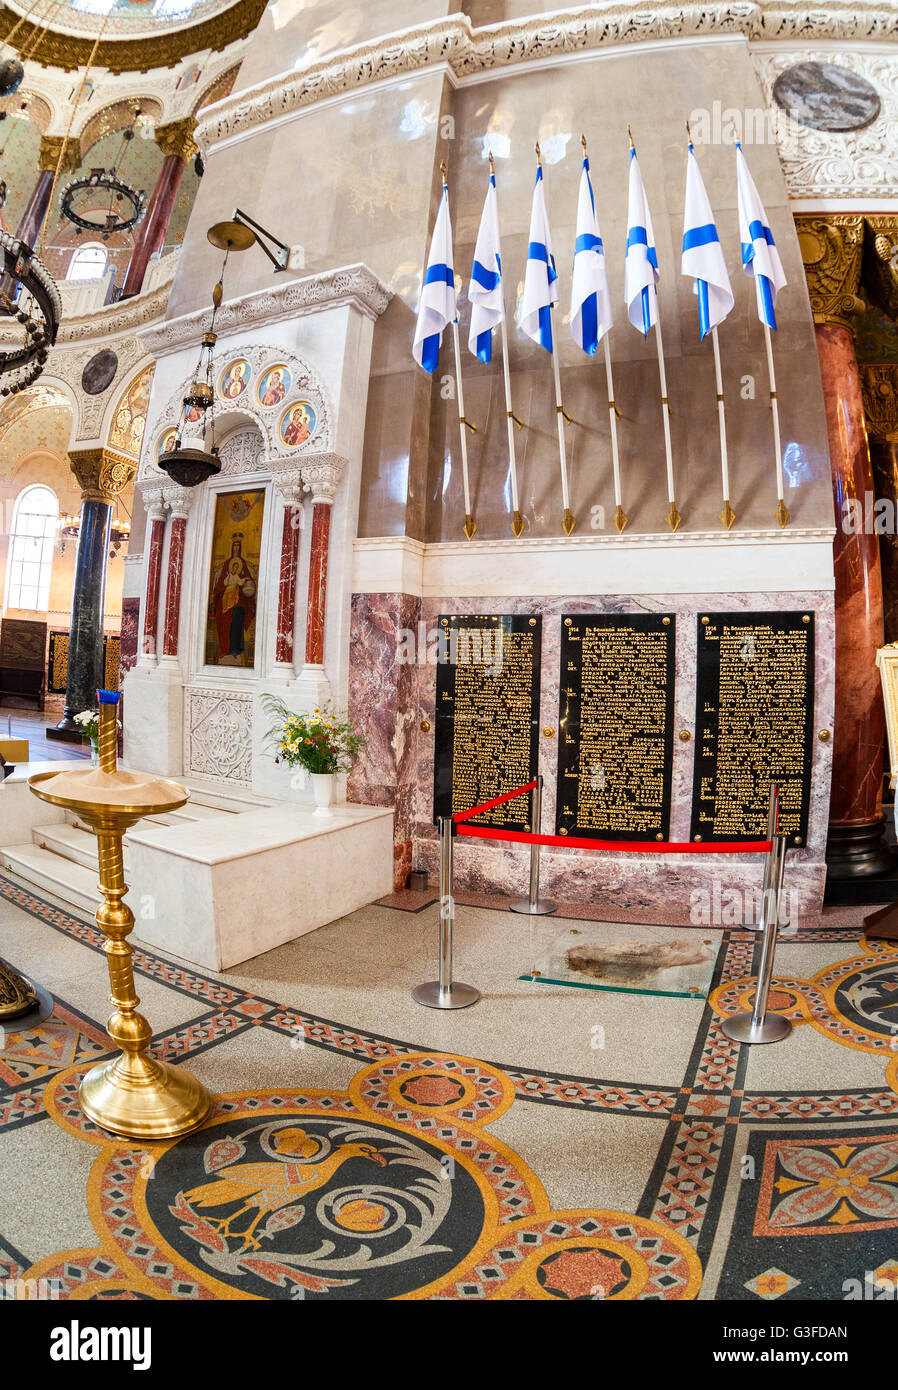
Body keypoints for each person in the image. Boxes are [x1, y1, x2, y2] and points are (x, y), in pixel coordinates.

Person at [209, 535, 257, 663]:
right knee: (223, 618)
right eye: (234, 545)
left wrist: (247, 581)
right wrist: (221, 591)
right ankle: (225, 648)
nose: (236, 548)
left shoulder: (243, 566)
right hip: (226, 599)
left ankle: (236, 649)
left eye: (238, 546)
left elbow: (247, 582)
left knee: (237, 616)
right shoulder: (226, 567)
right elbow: (220, 584)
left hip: (238, 599)